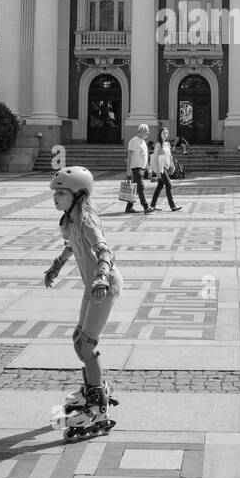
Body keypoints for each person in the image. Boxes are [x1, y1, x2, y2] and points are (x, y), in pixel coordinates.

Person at [44, 167, 122, 436]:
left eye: (61, 193)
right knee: (79, 339)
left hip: (104, 286)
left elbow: (105, 250)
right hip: (93, 286)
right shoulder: (70, 220)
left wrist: (101, 278)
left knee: (86, 345)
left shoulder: (87, 221)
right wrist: (56, 266)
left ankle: (98, 406)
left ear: (78, 195)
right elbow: (71, 245)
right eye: (55, 192)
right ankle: (93, 387)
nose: (56, 197)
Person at [150, 128, 181, 212]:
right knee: (168, 185)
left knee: (160, 186)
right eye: (163, 133)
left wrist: (172, 165)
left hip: (166, 167)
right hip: (160, 168)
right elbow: (155, 157)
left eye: (166, 133)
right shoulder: (158, 144)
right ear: (160, 134)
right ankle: (173, 206)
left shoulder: (167, 144)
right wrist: (157, 171)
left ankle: (152, 205)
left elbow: (170, 156)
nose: (165, 134)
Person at [125, 124, 152, 214]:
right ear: (140, 131)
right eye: (146, 132)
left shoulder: (143, 141)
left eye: (148, 131)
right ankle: (146, 206)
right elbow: (130, 156)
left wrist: (148, 168)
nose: (148, 133)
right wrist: (128, 170)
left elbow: (145, 156)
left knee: (135, 189)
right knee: (140, 187)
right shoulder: (133, 141)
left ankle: (129, 208)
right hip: (135, 168)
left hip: (142, 168)